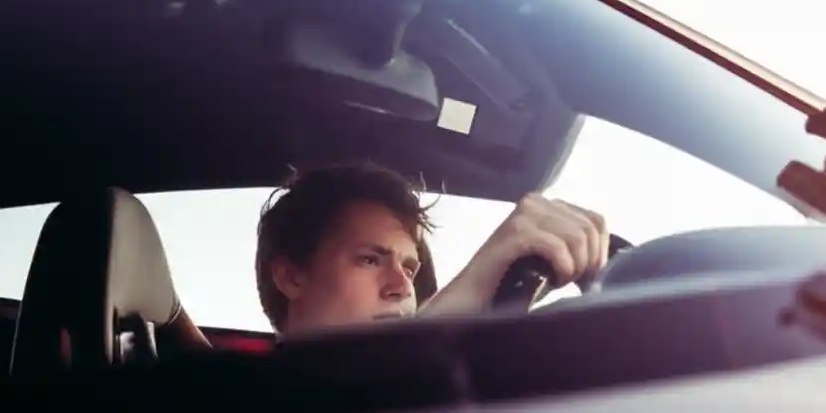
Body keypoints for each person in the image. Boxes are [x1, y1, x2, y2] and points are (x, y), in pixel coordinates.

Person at [254, 162, 608, 337]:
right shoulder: (240, 406)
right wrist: (474, 283)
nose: (402, 286)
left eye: (409, 269)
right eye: (369, 259)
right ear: (292, 277)